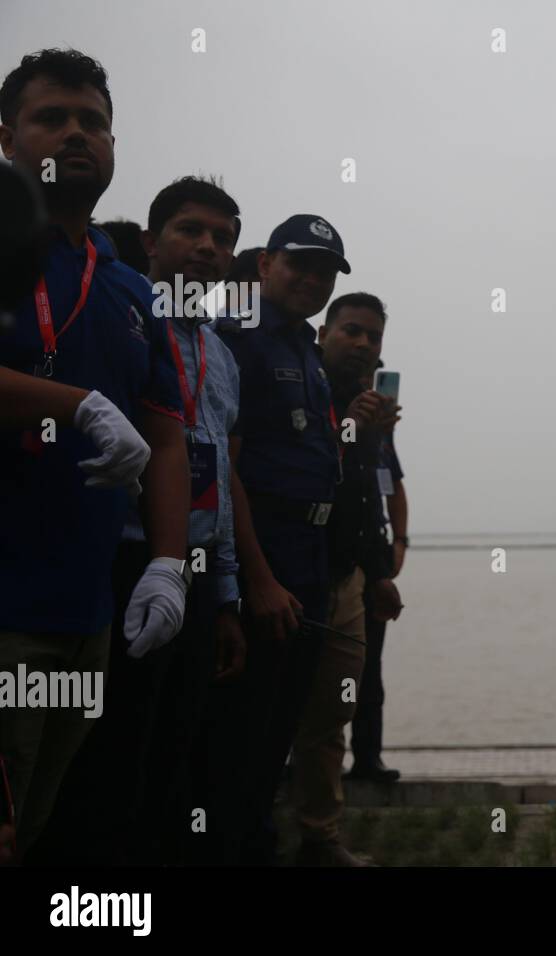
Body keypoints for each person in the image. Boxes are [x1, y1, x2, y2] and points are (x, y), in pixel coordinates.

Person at [27, 176, 253, 866]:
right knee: (98, 764)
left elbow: (219, 476)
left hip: (190, 567)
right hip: (116, 560)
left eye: (222, 239)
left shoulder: (222, 356)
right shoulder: (117, 313)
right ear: (152, 241)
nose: (208, 249)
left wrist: (225, 595)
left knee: (168, 754)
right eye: (191, 231)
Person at [0, 48, 190, 861]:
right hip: (3, 613)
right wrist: (75, 404)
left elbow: (169, 430)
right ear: (8, 138)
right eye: (53, 118)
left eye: (94, 122)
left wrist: (169, 564)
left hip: (87, 618)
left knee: (39, 823)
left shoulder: (128, 286)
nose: (77, 133)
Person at [215, 214, 351, 865]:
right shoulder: (239, 339)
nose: (312, 279)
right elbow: (223, 466)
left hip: (308, 569)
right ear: (264, 263)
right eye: (300, 264)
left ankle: (260, 845)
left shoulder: (304, 345)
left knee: (278, 735)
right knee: (241, 737)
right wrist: (257, 580)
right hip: (262, 568)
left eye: (325, 271)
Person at [292, 293, 401, 866]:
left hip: (348, 576)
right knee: (270, 710)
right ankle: (242, 829)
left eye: (374, 337)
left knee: (335, 711)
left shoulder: (368, 406)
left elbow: (366, 496)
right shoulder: (302, 386)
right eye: (352, 331)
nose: (363, 344)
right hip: (291, 573)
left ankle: (319, 835)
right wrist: (355, 428)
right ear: (323, 334)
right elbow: (306, 472)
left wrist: (380, 572)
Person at [348, 359, 407, 784]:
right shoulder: (334, 420)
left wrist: (401, 541)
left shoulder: (382, 436)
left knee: (371, 668)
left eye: (375, 380)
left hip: (377, 553)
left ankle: (368, 759)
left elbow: (395, 486)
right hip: (336, 552)